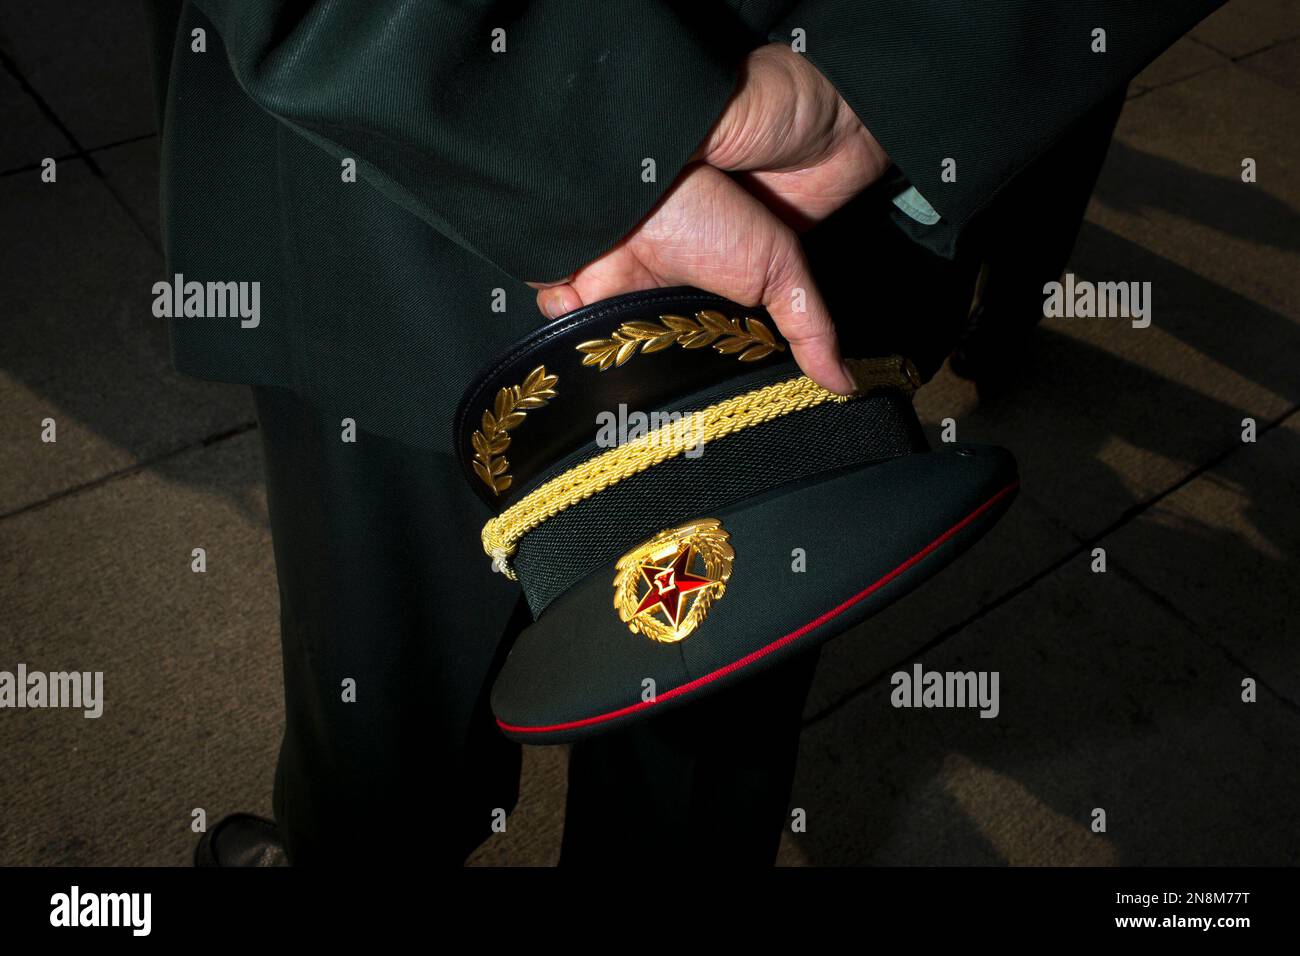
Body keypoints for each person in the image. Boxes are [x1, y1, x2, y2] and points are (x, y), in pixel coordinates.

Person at [144, 0, 1223, 866]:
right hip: (775, 177)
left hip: (400, 194)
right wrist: (894, 76)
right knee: (665, 739)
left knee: (395, 705)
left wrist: (592, 125)